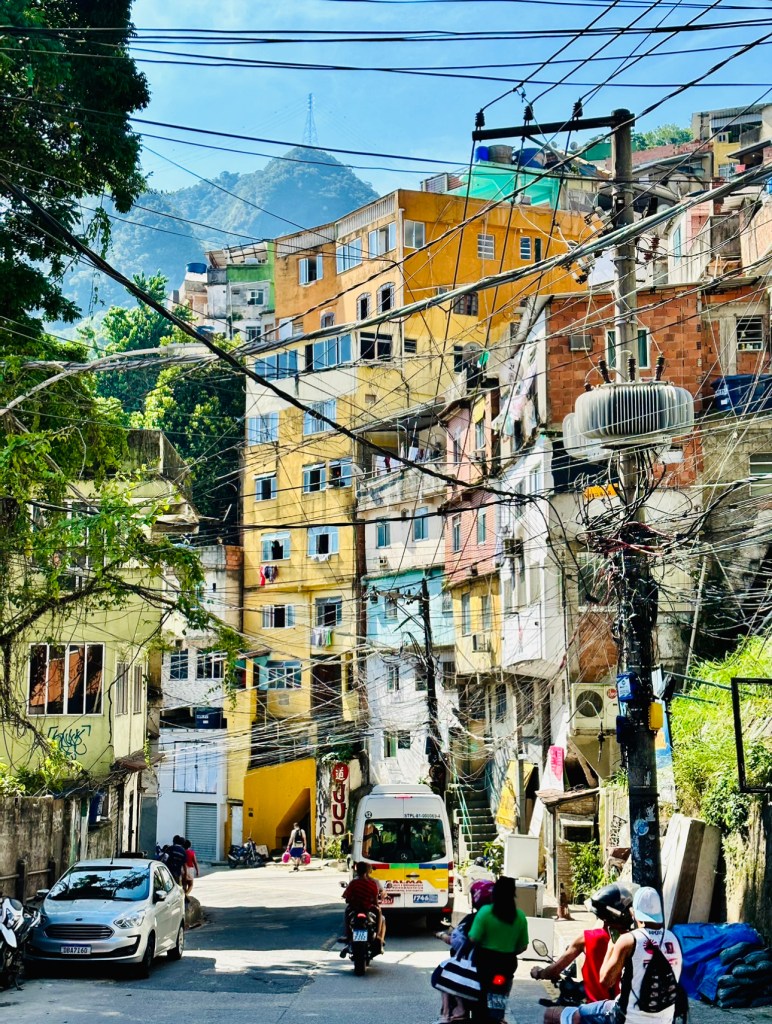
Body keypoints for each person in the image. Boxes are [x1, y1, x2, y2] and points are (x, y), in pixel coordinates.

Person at [565, 887, 683, 1024]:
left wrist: (611, 947)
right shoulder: (674, 939)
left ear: (634, 913)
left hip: (627, 1018)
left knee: (573, 1015)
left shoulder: (628, 940)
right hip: (665, 1020)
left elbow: (605, 981)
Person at [531, 883, 634, 1024]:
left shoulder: (588, 938)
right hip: (626, 1012)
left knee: (550, 1015)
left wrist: (539, 973)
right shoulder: (634, 940)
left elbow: (556, 969)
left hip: (595, 1011)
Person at [433, 879, 495, 1024]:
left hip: (476, 970)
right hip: (503, 969)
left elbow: (456, 942)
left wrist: (441, 935)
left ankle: (448, 1013)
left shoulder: (472, 919)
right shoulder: (509, 920)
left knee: (444, 970)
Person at [467, 876, 529, 1017]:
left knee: (480, 999)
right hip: (507, 965)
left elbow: (473, 938)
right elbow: (523, 947)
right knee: (501, 996)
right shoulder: (520, 916)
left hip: (484, 965)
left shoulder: (485, 913)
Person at [341, 861, 386, 952]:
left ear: (357, 871)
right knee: (379, 913)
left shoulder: (353, 882)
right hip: (369, 907)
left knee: (346, 912)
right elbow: (375, 898)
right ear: (367, 871)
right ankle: (377, 935)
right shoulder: (372, 883)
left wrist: (348, 899)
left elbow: (346, 896)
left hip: (355, 907)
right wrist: (376, 904)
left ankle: (348, 935)